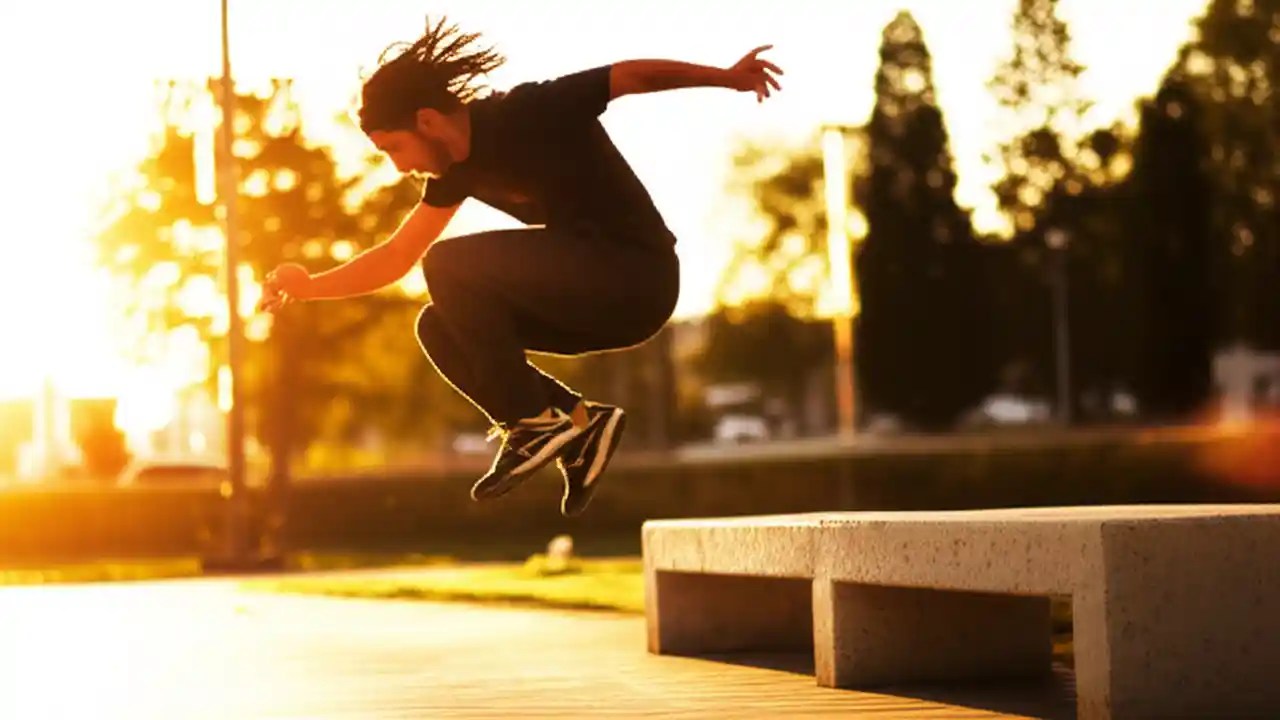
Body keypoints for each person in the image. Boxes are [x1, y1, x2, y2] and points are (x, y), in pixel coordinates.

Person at [258, 16, 783, 516]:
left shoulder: (529, 109)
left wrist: (727, 77)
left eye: (395, 147)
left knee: (448, 265)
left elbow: (630, 76)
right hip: (591, 298)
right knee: (438, 326)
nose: (399, 166)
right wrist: (306, 288)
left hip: (637, 276)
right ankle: (580, 422)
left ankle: (531, 423)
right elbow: (396, 257)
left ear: (427, 121)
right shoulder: (453, 173)